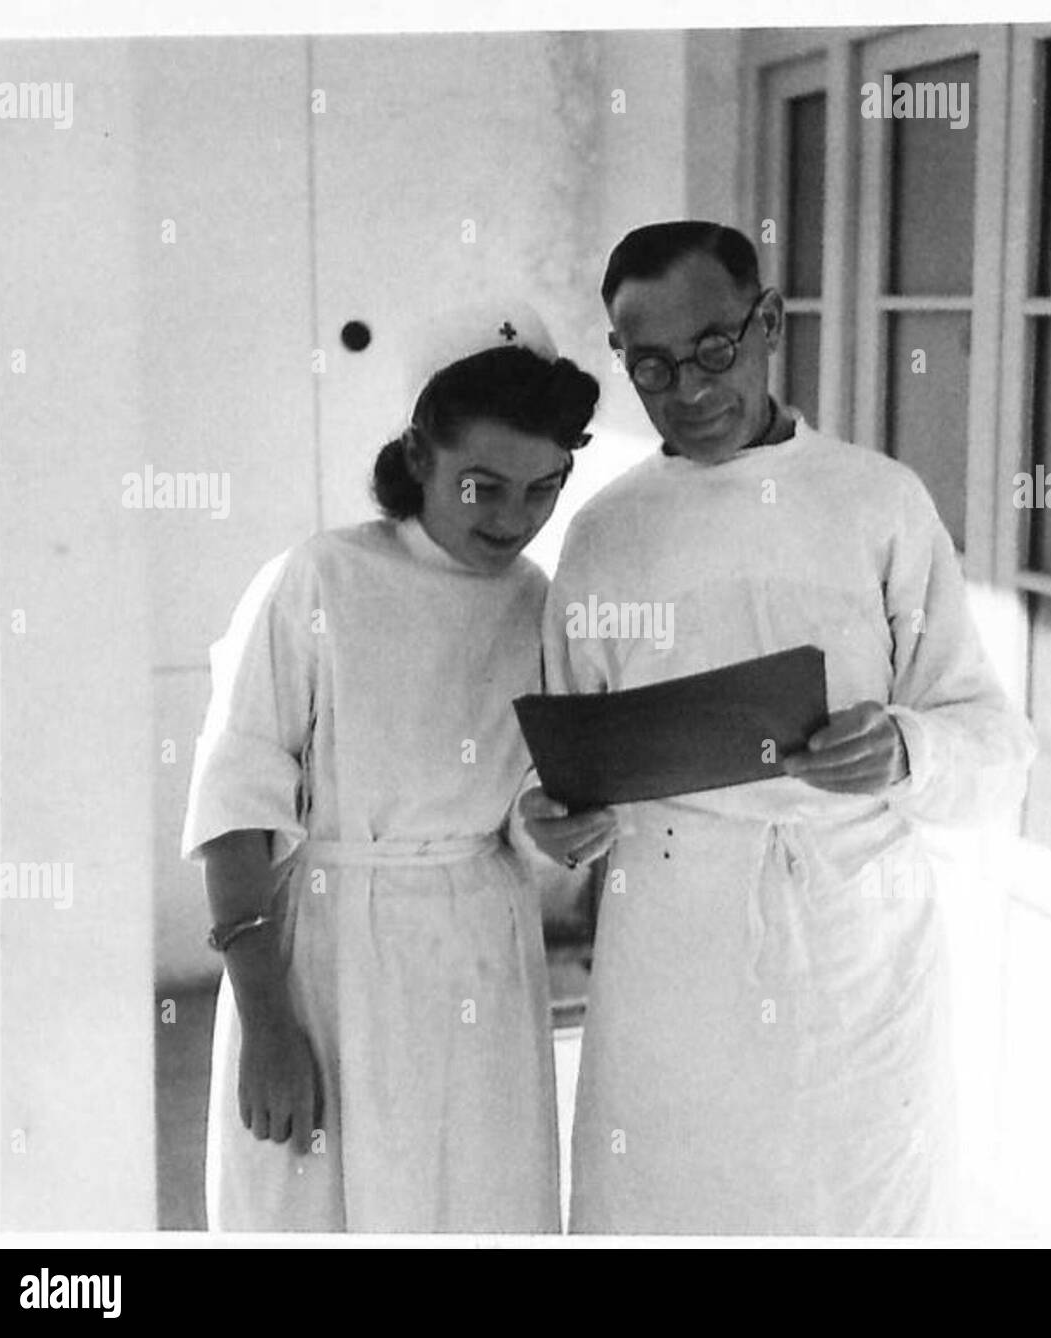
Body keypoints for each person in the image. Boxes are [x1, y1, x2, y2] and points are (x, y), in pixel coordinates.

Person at [520, 222, 1038, 1235]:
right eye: (652, 365)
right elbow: (561, 760)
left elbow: (994, 749)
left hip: (853, 940)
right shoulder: (605, 535)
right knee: (671, 1201)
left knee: (852, 1205)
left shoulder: (877, 502)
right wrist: (551, 819)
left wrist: (903, 748)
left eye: (713, 348)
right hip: (674, 939)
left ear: (768, 323)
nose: (688, 388)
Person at [181, 301, 599, 1232]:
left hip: (481, 953)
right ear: (419, 456)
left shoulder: (537, 602)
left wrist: (554, 821)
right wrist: (267, 1028)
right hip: (327, 958)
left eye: (543, 490)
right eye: (482, 486)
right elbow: (233, 810)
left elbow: (522, 793)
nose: (512, 519)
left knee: (473, 1203)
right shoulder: (317, 580)